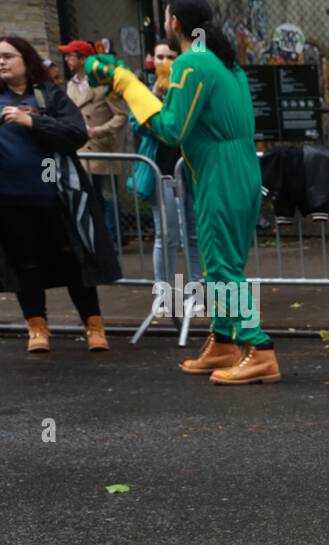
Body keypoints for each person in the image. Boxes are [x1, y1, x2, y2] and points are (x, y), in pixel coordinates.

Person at [87, 0, 279, 384]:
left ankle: (260, 350)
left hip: (219, 176)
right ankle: (225, 340)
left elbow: (172, 129)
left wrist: (126, 83)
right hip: (241, 168)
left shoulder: (192, 63)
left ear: (173, 21)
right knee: (224, 265)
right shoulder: (224, 61)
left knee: (222, 268)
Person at [0, 36, 118, 352]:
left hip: (55, 195)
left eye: (8, 56)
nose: (1, 62)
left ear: (26, 60)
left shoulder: (48, 96)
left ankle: (94, 325)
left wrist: (32, 121)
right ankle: (36, 329)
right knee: (25, 265)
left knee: (74, 262)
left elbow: (76, 133)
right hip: (10, 199)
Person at [129, 41, 202, 325]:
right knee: (166, 235)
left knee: (193, 234)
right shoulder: (146, 93)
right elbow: (136, 126)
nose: (165, 61)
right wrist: (154, 97)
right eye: (160, 56)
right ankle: (165, 294)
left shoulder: (187, 87)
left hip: (188, 172)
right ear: (151, 59)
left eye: (171, 57)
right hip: (161, 173)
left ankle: (197, 292)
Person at [60, 39, 127, 249]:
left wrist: (98, 130)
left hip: (103, 148)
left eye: (70, 55)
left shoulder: (103, 83)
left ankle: (113, 241)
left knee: (108, 198)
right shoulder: (70, 85)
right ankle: (97, 242)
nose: (66, 59)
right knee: (89, 197)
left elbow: (121, 115)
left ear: (82, 58)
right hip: (81, 150)